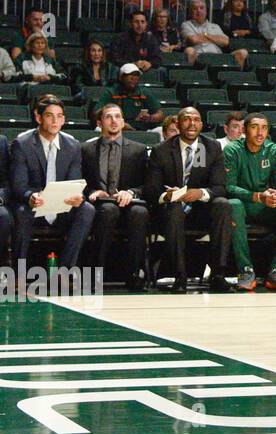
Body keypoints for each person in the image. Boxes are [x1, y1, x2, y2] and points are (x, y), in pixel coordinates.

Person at [146, 107, 233, 292]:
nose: (192, 123)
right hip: (171, 212)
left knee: (223, 205)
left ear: (201, 124)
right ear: (177, 124)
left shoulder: (210, 148)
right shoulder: (161, 151)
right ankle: (180, 276)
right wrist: (168, 196)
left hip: (201, 211)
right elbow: (152, 191)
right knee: (175, 209)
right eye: (186, 119)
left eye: (196, 119)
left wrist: (200, 193)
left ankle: (218, 274)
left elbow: (220, 187)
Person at [10, 96, 96, 266]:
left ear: (64, 119)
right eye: (49, 115)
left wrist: (77, 197)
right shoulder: (22, 144)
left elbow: (74, 180)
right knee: (21, 211)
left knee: (86, 209)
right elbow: (19, 185)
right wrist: (31, 196)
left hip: (61, 205)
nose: (55, 120)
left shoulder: (72, 145)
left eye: (59, 116)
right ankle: (17, 272)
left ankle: (65, 270)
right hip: (34, 205)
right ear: (38, 117)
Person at [224, 114, 276, 292]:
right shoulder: (232, 150)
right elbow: (228, 187)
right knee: (232, 204)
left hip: (266, 204)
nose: (260, 132)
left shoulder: (273, 150)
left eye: (264, 127)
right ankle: (245, 271)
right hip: (245, 203)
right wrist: (256, 196)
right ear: (245, 130)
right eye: (254, 127)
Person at [82, 104, 151, 289]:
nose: (114, 121)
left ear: (123, 122)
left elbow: (149, 184)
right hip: (100, 203)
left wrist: (131, 192)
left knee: (140, 212)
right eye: (108, 117)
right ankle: (95, 272)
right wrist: (91, 191)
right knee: (108, 210)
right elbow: (78, 180)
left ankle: (136, 273)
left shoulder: (138, 150)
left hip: (129, 201)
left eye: (118, 117)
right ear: (99, 122)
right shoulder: (86, 150)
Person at [182, 0, 248, 68]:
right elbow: (193, 40)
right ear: (190, 12)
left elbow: (226, 41)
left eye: (201, 8)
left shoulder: (215, 26)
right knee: (189, 50)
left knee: (243, 52)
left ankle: (237, 78)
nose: (199, 10)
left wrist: (205, 35)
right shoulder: (186, 25)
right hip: (199, 56)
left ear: (206, 11)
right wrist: (215, 39)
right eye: (195, 8)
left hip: (218, 57)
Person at [93, 64, 162, 129]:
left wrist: (150, 118)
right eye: (130, 75)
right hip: (116, 128)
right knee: (98, 129)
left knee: (159, 129)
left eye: (137, 75)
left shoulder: (144, 92)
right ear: (121, 77)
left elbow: (160, 114)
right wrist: (116, 121)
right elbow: (96, 113)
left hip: (141, 129)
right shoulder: (112, 92)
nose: (134, 78)